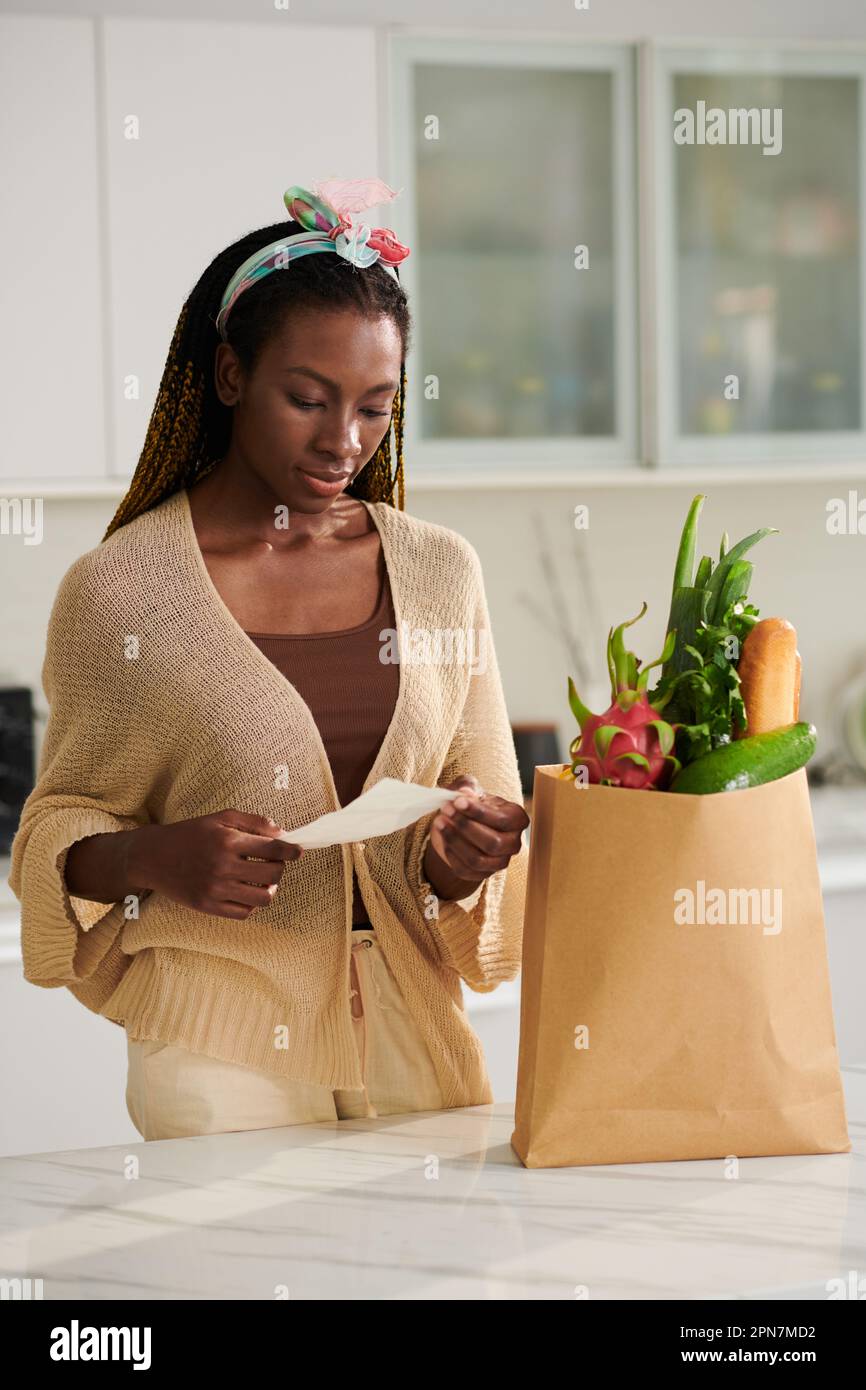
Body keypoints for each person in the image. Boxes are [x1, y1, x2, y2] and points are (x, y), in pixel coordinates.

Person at [9, 178, 529, 1141]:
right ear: (230, 374)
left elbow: (482, 818)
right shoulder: (122, 590)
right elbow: (58, 827)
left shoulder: (440, 570)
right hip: (219, 1032)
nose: (345, 441)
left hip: (412, 1019)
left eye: (376, 407)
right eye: (308, 399)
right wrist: (157, 856)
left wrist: (467, 857)